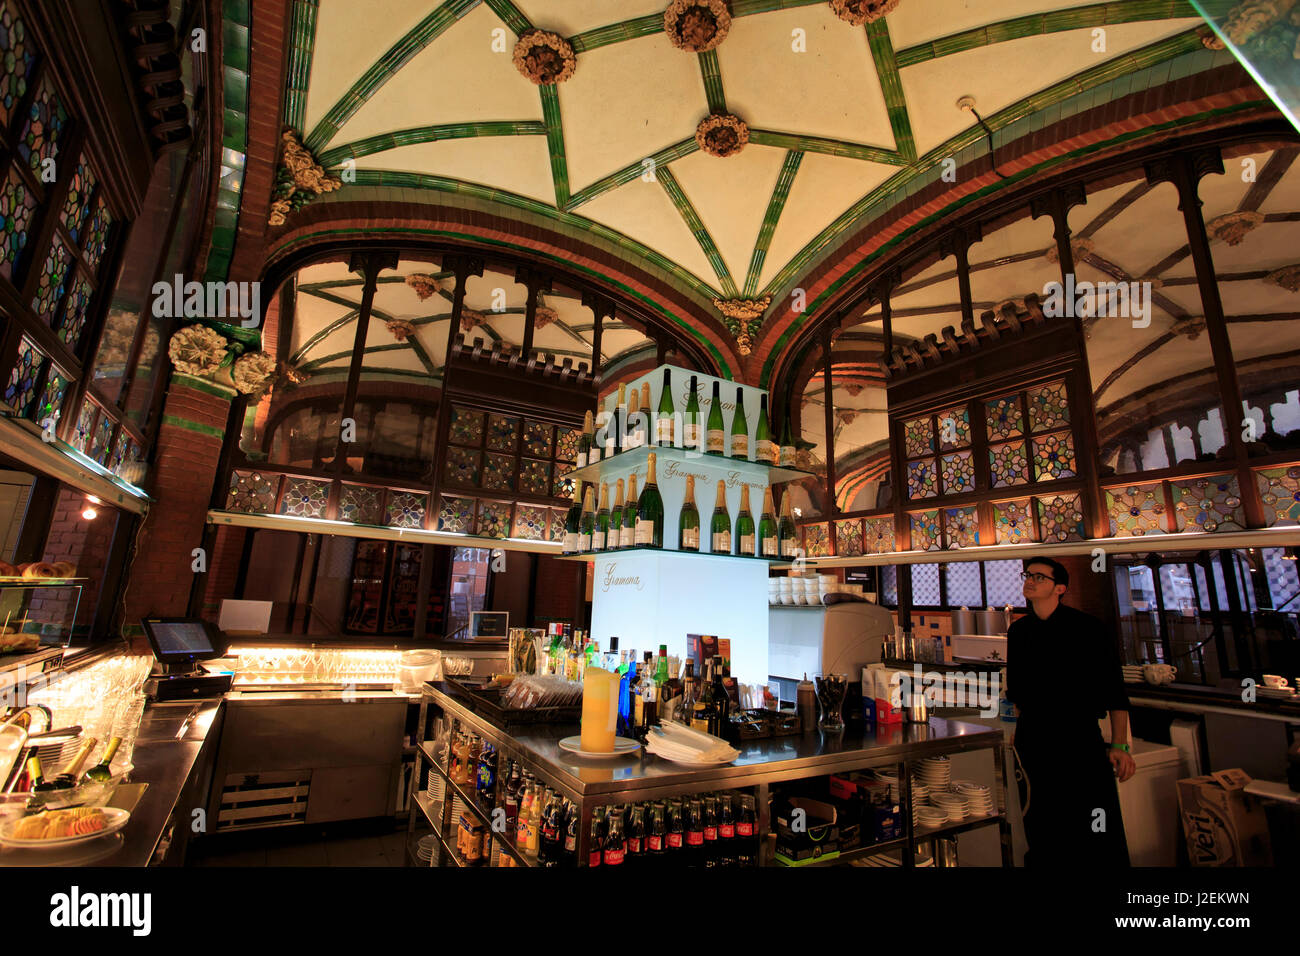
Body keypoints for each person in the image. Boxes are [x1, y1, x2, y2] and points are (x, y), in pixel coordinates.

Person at [1005, 556, 1136, 867]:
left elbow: (1115, 691)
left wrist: (1119, 745)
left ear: (1060, 588)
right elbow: (1018, 692)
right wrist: (1015, 733)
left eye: (1039, 577)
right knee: (1041, 824)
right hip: (1034, 741)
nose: (1030, 580)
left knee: (1093, 826)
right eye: (1028, 574)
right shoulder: (1019, 632)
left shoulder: (1087, 628)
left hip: (1079, 740)